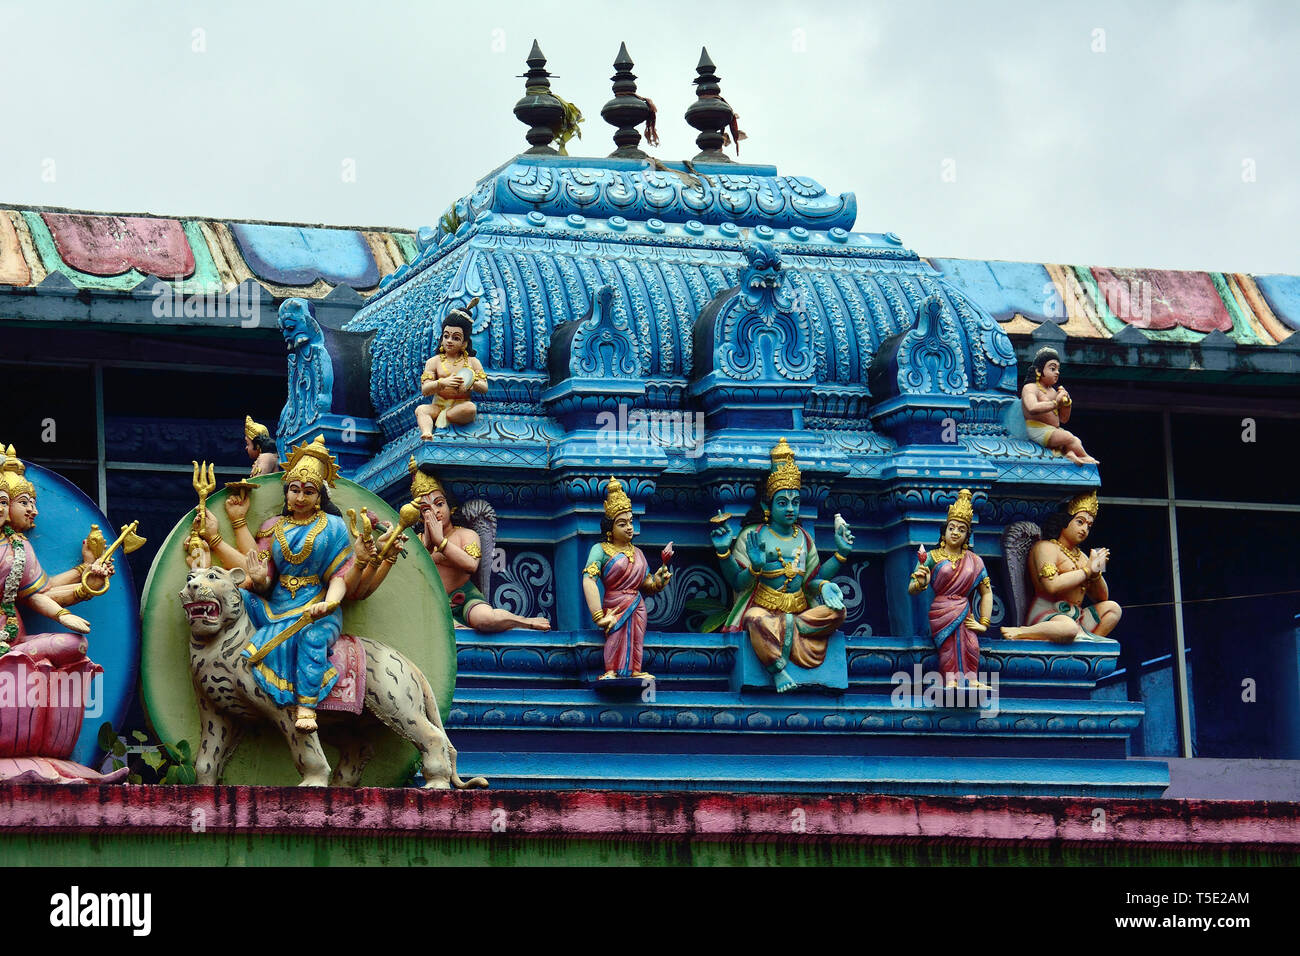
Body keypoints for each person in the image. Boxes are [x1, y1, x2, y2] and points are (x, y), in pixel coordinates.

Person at [197, 435, 371, 732]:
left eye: (308, 491)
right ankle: (220, 671)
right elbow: (260, 575)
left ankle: (307, 704)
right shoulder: (272, 526)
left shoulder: (333, 527)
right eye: (293, 489)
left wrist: (331, 603)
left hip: (316, 605)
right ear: (286, 491)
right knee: (235, 597)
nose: (300, 497)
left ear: (320, 497)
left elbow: (340, 576)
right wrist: (258, 576)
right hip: (275, 605)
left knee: (311, 638)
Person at [710, 439, 854, 693]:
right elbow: (738, 583)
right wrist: (740, 560)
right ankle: (777, 668)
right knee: (754, 620)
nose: (790, 508)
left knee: (838, 612)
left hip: (799, 611)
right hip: (764, 610)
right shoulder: (753, 535)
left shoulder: (803, 538)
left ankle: (790, 629)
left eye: (795, 502)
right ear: (768, 506)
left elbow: (811, 580)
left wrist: (839, 558)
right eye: (782, 502)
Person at [410, 459, 551, 631]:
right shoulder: (417, 541)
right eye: (426, 509)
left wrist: (441, 542)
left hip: (465, 596)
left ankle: (521, 621)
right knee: (440, 628)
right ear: (419, 516)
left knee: (485, 619)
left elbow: (471, 565)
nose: (435, 511)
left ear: (450, 506)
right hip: (432, 603)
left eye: (439, 504)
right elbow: (410, 576)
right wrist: (426, 545)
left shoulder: (466, 535)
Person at [1001, 490, 1121, 642]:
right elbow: (1051, 586)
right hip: (1048, 614)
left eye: (1089, 526)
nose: (1084, 529)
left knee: (1112, 608)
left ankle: (1088, 643)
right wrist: (1087, 571)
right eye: (1080, 522)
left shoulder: (1083, 557)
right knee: (1067, 628)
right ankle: (1023, 632)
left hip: (1077, 617)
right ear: (1064, 521)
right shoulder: (1046, 547)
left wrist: (1096, 572)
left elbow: (1102, 597)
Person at [581, 477, 671, 680]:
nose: (629, 527)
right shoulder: (601, 549)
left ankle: (635, 670)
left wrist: (658, 582)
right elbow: (589, 579)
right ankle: (611, 670)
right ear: (610, 529)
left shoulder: (638, 553)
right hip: (614, 603)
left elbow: (645, 584)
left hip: (636, 604)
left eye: (630, 522)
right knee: (614, 636)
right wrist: (598, 616)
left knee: (636, 638)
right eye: (622, 524)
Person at [907, 489, 993, 688]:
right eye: (952, 528)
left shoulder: (975, 561)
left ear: (966, 536)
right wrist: (921, 582)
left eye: (961, 530)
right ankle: (950, 679)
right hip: (942, 610)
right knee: (947, 647)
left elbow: (986, 592)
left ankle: (972, 679)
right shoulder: (931, 557)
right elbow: (911, 588)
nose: (955, 532)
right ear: (944, 531)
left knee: (971, 644)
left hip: (965, 609)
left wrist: (984, 623)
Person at [416, 303, 488, 437]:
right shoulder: (434, 362)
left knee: (470, 408)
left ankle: (446, 417)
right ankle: (426, 432)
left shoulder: (472, 362)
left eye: (456, 338)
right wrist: (443, 383)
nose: (449, 341)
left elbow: (484, 387)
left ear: (464, 343)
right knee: (421, 409)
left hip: (460, 407)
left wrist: (471, 384)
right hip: (438, 406)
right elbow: (425, 390)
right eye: (446, 336)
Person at [1020, 347, 1098, 465]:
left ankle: (1070, 454)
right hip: (1036, 428)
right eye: (1052, 368)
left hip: (1052, 429)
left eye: (1058, 369)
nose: (1057, 372)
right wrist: (1056, 403)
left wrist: (1066, 403)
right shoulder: (1030, 387)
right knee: (1068, 437)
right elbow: (1032, 408)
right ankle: (1084, 456)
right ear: (1038, 371)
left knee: (1076, 440)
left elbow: (1063, 419)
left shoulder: (1052, 391)